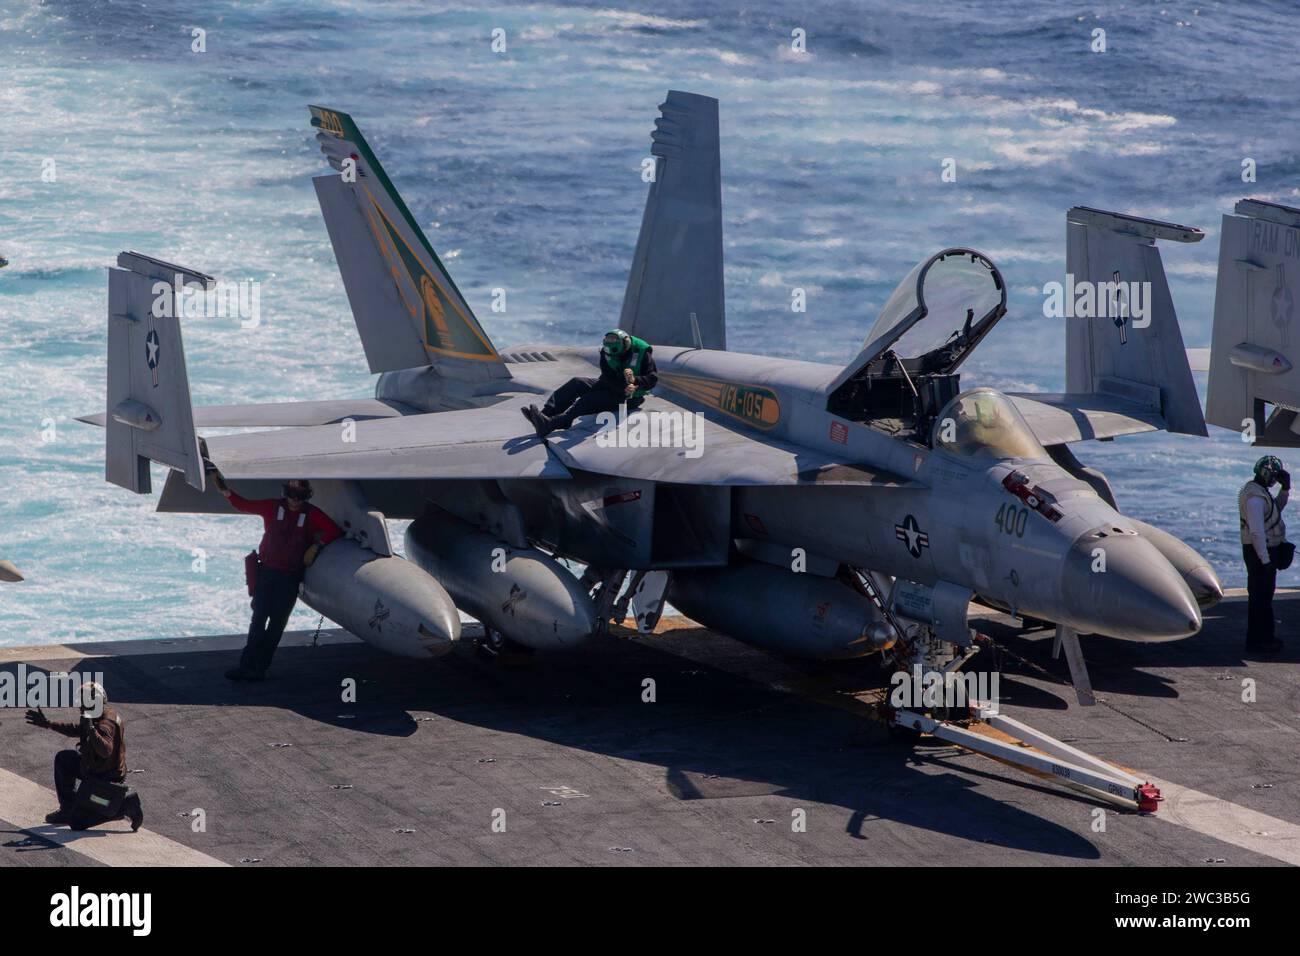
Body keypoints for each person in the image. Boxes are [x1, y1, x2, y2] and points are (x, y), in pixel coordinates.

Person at [208, 470, 344, 680]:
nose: (295, 500)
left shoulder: (312, 514)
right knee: (258, 621)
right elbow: (243, 505)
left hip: (290, 578)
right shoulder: (272, 507)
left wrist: (318, 546)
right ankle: (246, 667)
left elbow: (334, 530)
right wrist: (225, 491)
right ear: (285, 492)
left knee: (276, 625)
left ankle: (260, 669)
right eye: (292, 494)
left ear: (306, 496)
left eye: (300, 496)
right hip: (267, 575)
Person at [25, 682, 143, 831]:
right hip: (94, 767)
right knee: (64, 759)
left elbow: (105, 750)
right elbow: (79, 730)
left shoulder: (106, 722)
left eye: (84, 705)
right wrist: (49, 724)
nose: (80, 708)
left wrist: (91, 728)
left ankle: (126, 805)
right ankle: (67, 808)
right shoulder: (95, 714)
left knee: (77, 822)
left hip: (107, 778)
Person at [523, 329, 657, 437]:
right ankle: (544, 415)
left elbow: (652, 379)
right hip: (613, 385)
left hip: (632, 397)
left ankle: (553, 424)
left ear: (625, 347)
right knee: (576, 383)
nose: (612, 357)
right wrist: (619, 385)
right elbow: (607, 377)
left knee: (589, 399)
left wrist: (634, 381)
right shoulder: (607, 351)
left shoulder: (642, 352)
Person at [1239, 454, 1291, 654]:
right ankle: (1258, 640)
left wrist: (1285, 490)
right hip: (1260, 553)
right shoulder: (1255, 498)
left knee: (1264, 598)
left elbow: (1274, 511)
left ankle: (1264, 637)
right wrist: (1265, 560)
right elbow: (1256, 532)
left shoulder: (1260, 492)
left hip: (1263, 552)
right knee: (1260, 599)